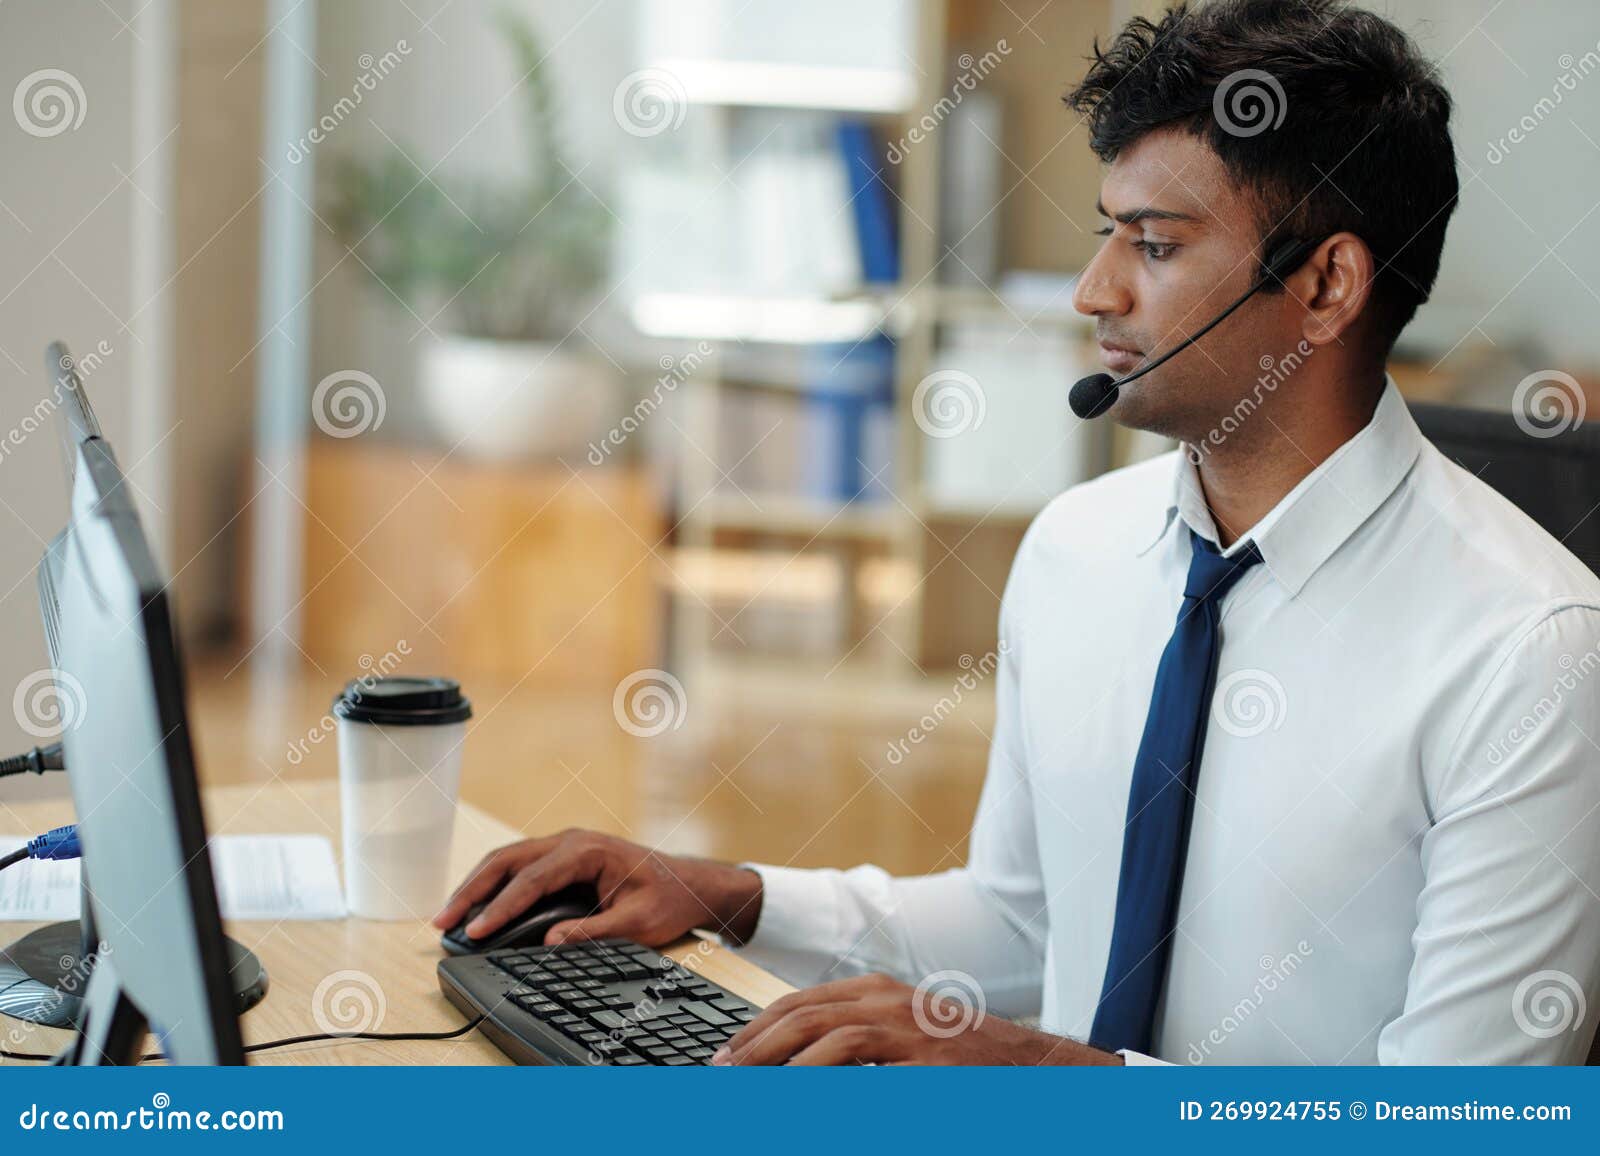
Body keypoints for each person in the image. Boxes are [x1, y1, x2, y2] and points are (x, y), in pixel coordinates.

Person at [435, 0, 1600, 1065]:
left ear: (1327, 284)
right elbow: (1024, 920)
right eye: (1107, 235)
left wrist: (1047, 1077)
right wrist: (728, 895)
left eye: (1152, 245)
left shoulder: (1531, 651)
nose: (1094, 291)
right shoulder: (1077, 551)